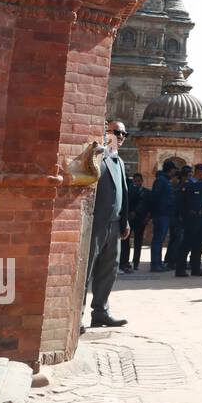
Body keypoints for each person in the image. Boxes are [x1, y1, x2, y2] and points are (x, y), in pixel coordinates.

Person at [84, 121, 130, 330]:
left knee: (109, 269)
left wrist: (124, 220)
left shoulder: (118, 161)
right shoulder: (98, 156)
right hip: (96, 224)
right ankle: (77, 315)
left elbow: (123, 193)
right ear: (106, 133)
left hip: (114, 223)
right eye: (116, 132)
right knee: (87, 269)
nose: (120, 136)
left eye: (124, 134)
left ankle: (101, 312)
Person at [175, 163, 202, 278]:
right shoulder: (187, 184)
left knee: (199, 244)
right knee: (186, 244)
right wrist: (182, 217)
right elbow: (180, 202)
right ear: (199, 172)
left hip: (201, 217)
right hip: (190, 218)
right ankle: (180, 269)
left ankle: (195, 268)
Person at [148, 160, 176, 272]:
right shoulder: (161, 181)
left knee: (160, 239)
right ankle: (155, 264)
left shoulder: (165, 180)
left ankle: (158, 263)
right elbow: (155, 197)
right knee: (158, 240)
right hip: (161, 214)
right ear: (171, 169)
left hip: (165, 213)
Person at [120, 172, 148, 274]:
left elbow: (148, 206)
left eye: (139, 181)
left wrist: (147, 218)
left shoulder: (146, 192)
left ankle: (136, 262)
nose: (137, 183)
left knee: (138, 242)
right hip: (130, 220)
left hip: (140, 221)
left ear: (142, 181)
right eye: (135, 181)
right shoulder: (129, 191)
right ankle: (125, 262)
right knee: (125, 242)